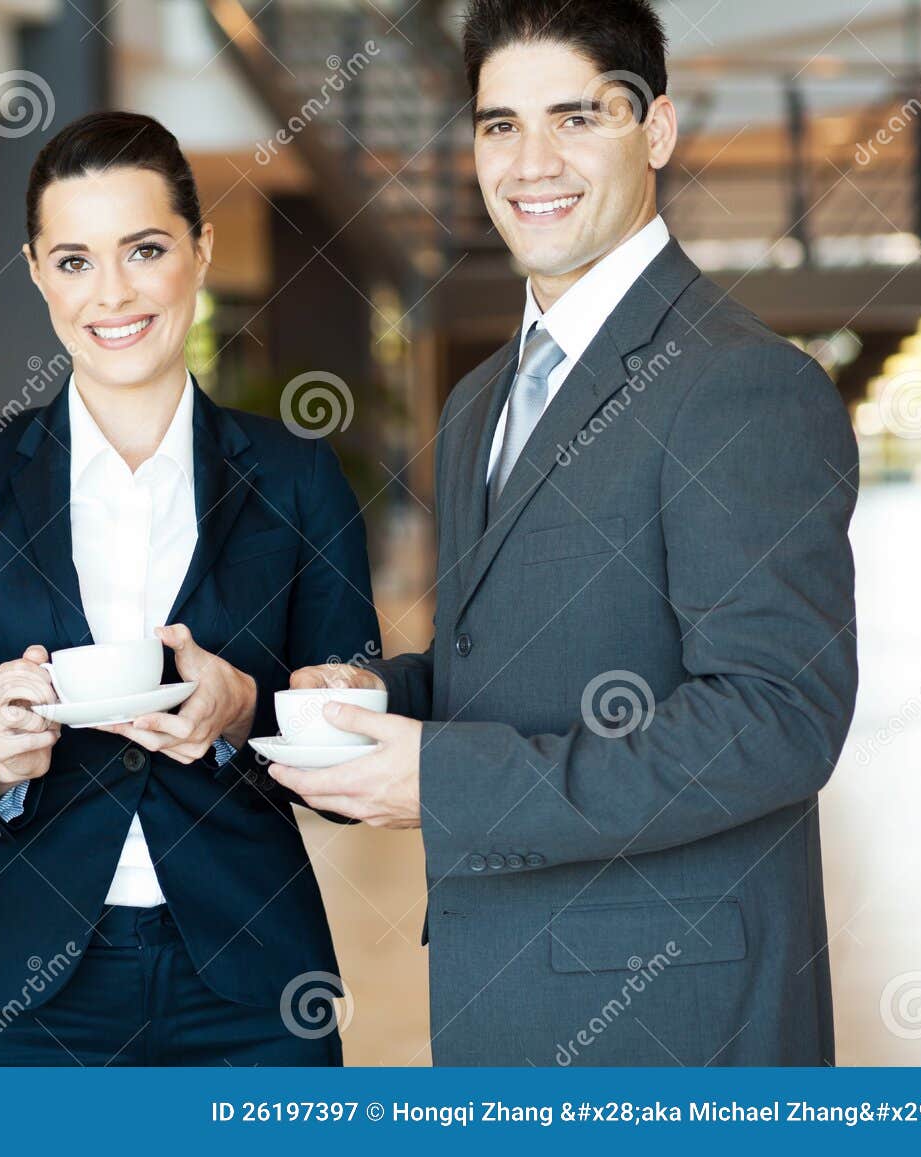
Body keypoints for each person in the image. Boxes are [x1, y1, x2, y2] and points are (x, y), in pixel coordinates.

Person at [272, 0, 859, 1066]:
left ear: (658, 130)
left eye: (574, 118)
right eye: (499, 125)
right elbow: (510, 665)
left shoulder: (742, 386)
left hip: (668, 1017)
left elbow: (777, 718)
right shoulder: (480, 399)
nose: (529, 162)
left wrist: (441, 781)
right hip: (497, 987)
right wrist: (379, 703)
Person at [0, 111, 380, 1066]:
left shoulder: (297, 476)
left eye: (144, 249)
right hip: (24, 986)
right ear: (34, 271)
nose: (112, 293)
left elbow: (355, 767)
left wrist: (243, 711)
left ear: (200, 249)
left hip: (255, 982)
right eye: (73, 260)